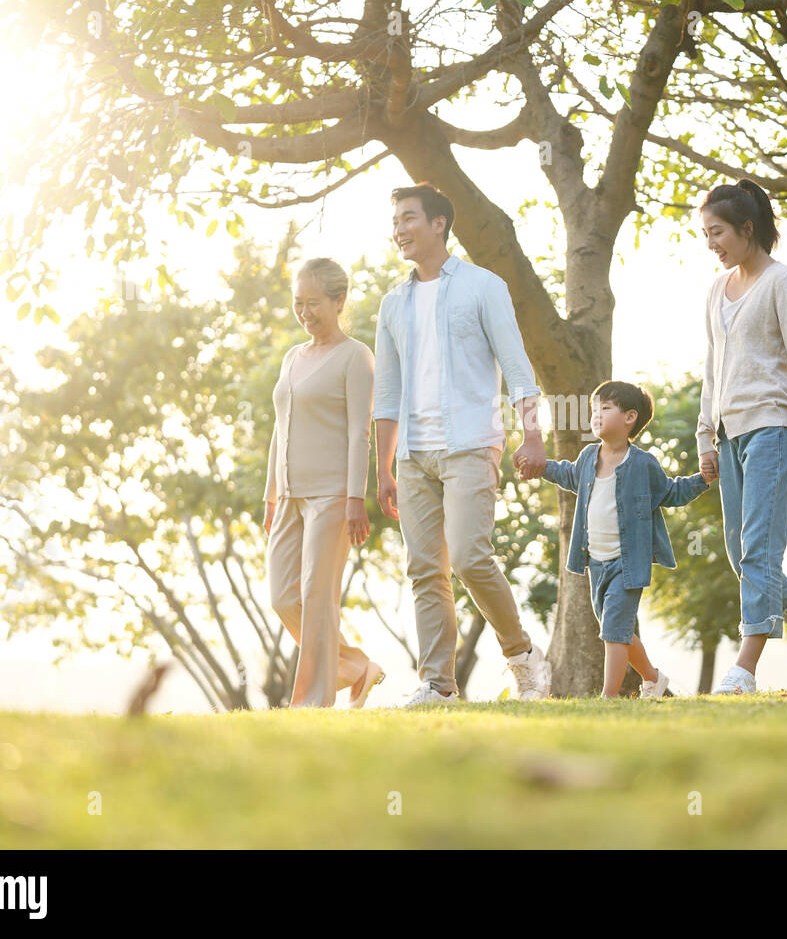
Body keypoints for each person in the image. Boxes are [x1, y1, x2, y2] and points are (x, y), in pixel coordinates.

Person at [372, 182, 552, 706]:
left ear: (438, 224)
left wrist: (533, 431)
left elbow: (517, 365)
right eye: (395, 221)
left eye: (408, 218)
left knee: (471, 558)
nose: (399, 230)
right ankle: (439, 685)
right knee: (425, 569)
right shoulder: (392, 303)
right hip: (413, 457)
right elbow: (386, 392)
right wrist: (383, 468)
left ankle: (522, 657)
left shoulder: (482, 286)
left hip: (470, 443)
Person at [696, 179, 787, 694]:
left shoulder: (782, 283)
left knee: (759, 552)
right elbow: (713, 367)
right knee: (741, 555)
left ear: (747, 228)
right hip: (730, 432)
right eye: (706, 234)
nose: (711, 243)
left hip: (775, 431)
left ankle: (745, 667)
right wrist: (704, 436)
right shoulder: (718, 289)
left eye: (717, 233)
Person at [529, 380, 713, 698]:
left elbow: (672, 492)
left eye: (605, 408)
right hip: (595, 563)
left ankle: (608, 697)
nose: (596, 415)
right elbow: (567, 474)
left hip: (628, 564)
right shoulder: (588, 457)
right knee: (619, 631)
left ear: (629, 418)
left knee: (613, 629)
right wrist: (540, 466)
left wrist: (703, 479)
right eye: (594, 409)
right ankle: (654, 680)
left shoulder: (642, 464)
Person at [264, 258, 385, 709]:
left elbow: (360, 432)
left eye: (314, 303)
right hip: (289, 494)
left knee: (318, 595)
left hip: (333, 494)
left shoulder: (356, 357)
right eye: (299, 303)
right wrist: (270, 494)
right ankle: (355, 668)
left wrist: (357, 497)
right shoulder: (292, 357)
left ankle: (311, 702)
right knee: (281, 596)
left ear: (339, 301)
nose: (305, 312)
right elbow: (280, 427)